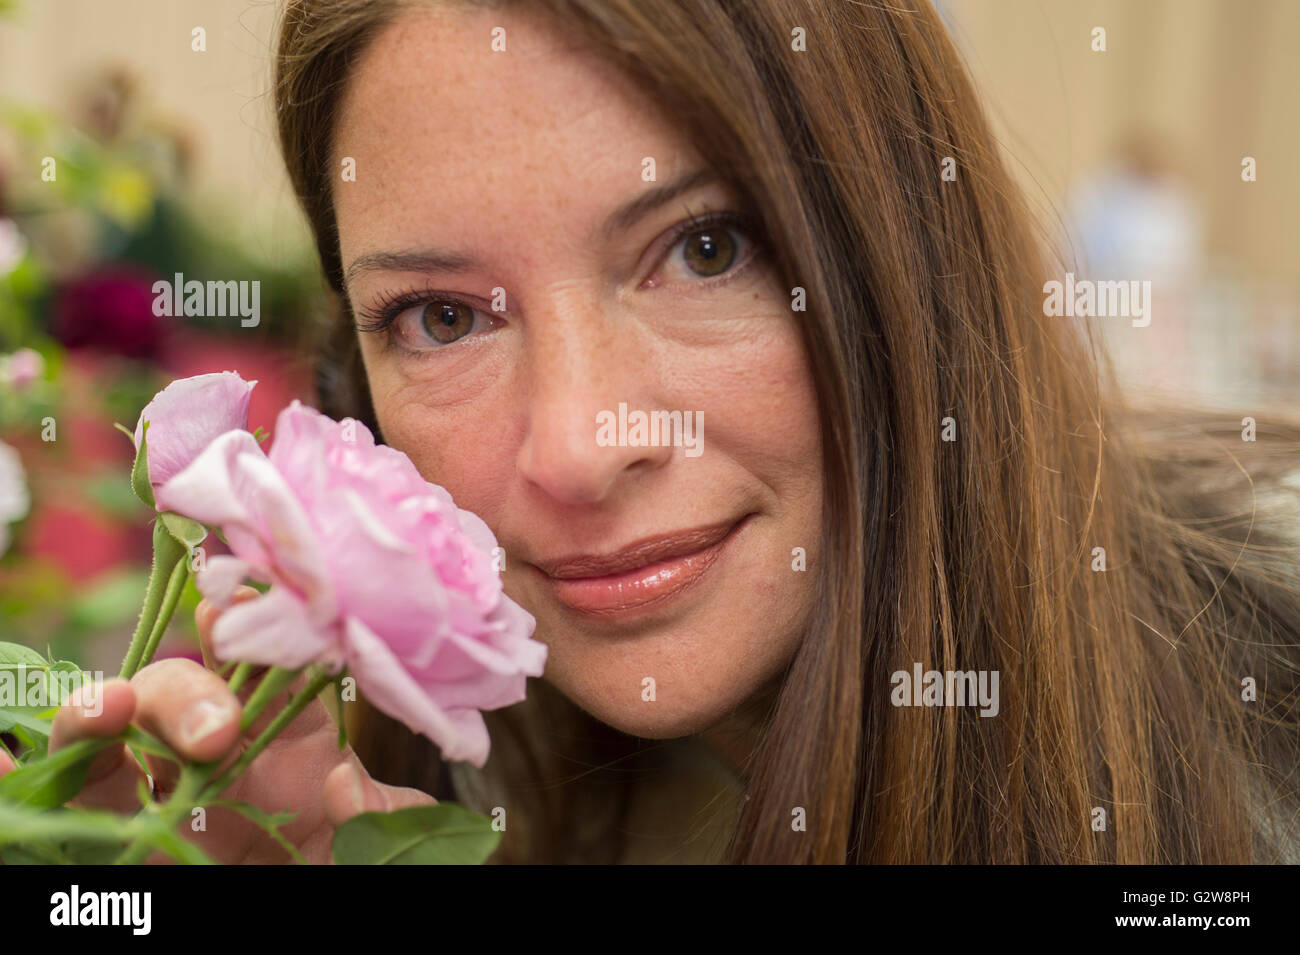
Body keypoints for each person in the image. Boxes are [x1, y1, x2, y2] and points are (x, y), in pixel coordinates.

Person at [10, 0, 1299, 864]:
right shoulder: (435, 787)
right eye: (444, 316)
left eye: (705, 248)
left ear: (907, 251)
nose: (575, 448)